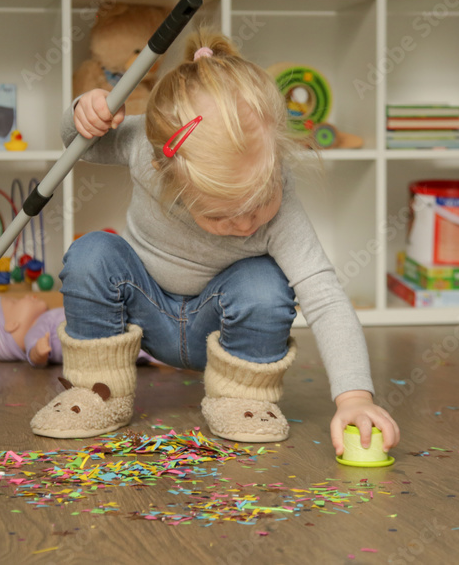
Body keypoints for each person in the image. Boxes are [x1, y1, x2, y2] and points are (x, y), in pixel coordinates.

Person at [30, 29, 400, 454]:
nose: (246, 224)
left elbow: (325, 297)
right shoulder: (148, 150)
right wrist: (84, 111)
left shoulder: (281, 199)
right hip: (142, 311)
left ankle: (243, 400)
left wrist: (355, 398)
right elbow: (77, 143)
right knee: (91, 252)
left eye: (260, 203)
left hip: (223, 329)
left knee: (265, 281)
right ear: (162, 170)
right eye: (221, 214)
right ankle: (96, 393)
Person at [0, 295, 156, 367]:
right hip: (96, 338)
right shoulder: (34, 332)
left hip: (99, 335)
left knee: (135, 342)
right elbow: (33, 355)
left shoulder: (43, 320)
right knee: (136, 341)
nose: (25, 296)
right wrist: (38, 353)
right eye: (15, 302)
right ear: (12, 325)